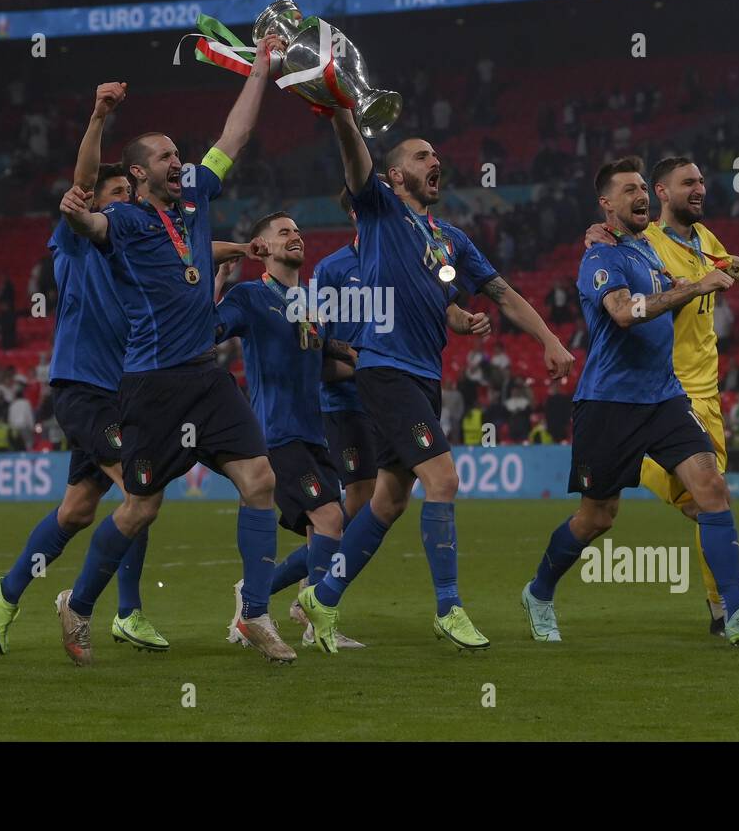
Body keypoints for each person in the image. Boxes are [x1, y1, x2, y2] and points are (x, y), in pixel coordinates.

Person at [57, 35, 300, 664]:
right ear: (138, 172)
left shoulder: (195, 198)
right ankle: (79, 605)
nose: (177, 160)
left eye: (177, 153)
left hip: (206, 375)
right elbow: (83, 201)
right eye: (164, 156)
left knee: (260, 479)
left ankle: (254, 614)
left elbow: (236, 134)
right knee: (141, 508)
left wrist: (262, 69)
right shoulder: (126, 222)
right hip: (152, 385)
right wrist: (99, 118)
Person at [295, 107, 574, 653]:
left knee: (389, 500)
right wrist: (343, 116)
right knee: (443, 479)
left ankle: (323, 596)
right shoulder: (377, 208)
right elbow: (357, 163)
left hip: (424, 375)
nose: (435, 161)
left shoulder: (450, 238)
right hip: (385, 369)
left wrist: (547, 338)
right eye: (422, 155)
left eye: (436, 155)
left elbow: (499, 292)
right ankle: (449, 608)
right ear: (395, 175)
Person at [523, 156, 739, 646]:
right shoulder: (600, 258)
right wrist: (691, 289)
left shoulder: (649, 249)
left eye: (644, 187)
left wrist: (728, 280)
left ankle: (734, 612)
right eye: (628, 190)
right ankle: (539, 592)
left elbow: (713, 266)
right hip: (609, 404)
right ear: (606, 204)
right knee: (597, 517)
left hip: (665, 396)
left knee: (711, 487)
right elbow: (624, 314)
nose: (641, 195)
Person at [216, 212, 367, 650]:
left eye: (298, 230)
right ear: (262, 246)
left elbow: (320, 365)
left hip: (314, 433)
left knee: (323, 532)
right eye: (284, 232)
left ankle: (259, 598)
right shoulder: (249, 296)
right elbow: (205, 329)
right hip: (277, 433)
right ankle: (319, 622)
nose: (296, 235)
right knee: (332, 519)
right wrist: (220, 282)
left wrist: (367, 367)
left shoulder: (312, 306)